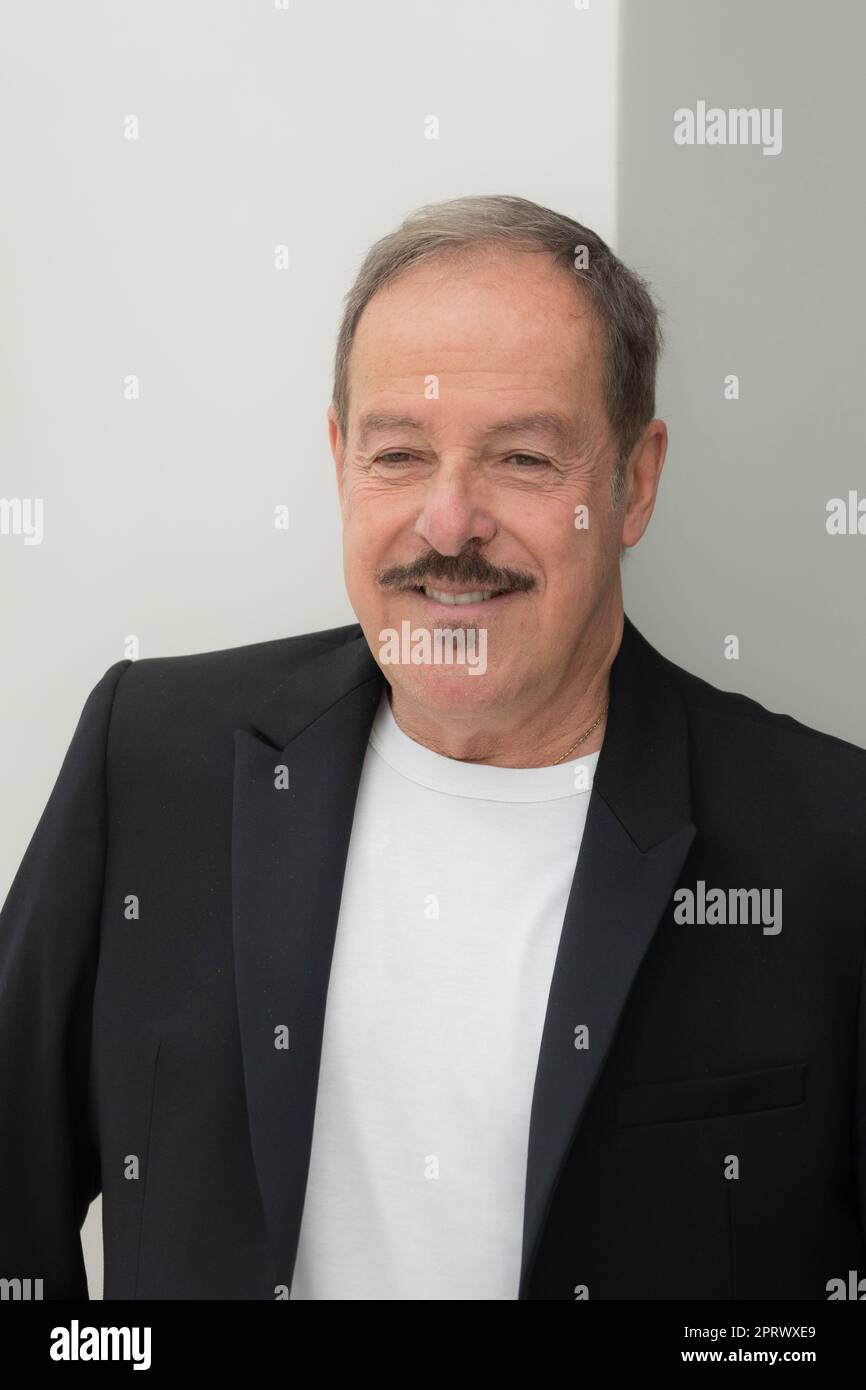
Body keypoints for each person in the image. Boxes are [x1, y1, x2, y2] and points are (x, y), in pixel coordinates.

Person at [2, 195, 864, 1301]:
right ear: (337, 457)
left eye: (518, 457)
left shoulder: (828, 843)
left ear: (632, 481)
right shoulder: (150, 758)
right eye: (400, 453)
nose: (448, 523)